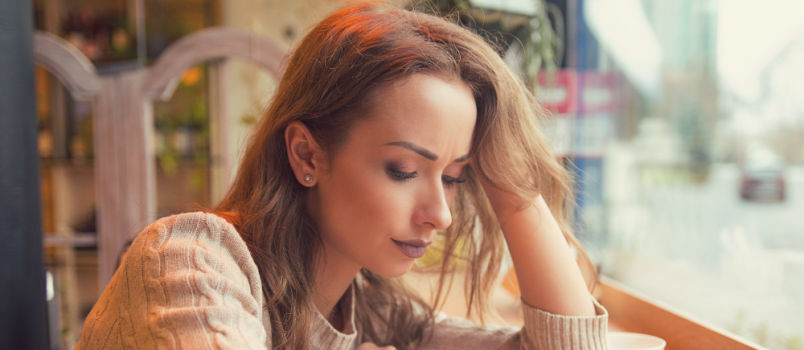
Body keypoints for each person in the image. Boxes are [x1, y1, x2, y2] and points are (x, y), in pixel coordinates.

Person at [76, 4, 607, 349]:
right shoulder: (189, 258)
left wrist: (514, 195)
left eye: (453, 177)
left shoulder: (374, 314)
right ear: (307, 155)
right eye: (404, 170)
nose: (440, 215)